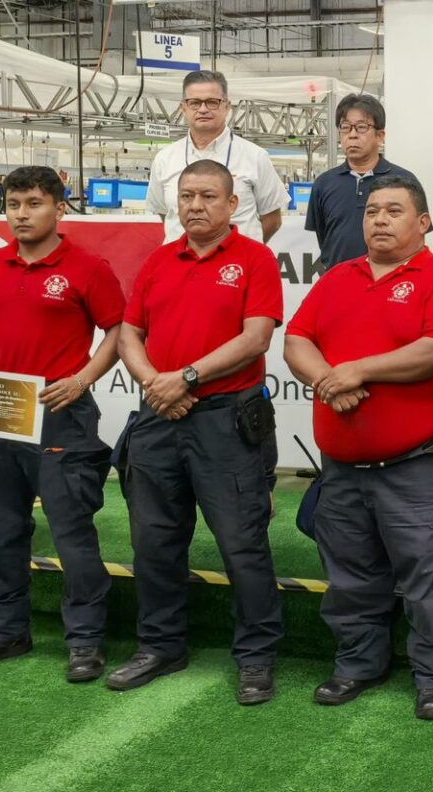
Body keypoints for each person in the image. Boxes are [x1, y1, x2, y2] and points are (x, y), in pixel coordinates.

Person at [285, 176, 433, 721]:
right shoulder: (337, 278)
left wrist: (356, 371)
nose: (380, 220)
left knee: (431, 575)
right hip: (343, 469)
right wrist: (326, 378)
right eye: (372, 211)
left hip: (421, 466)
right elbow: (296, 339)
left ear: (423, 224)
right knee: (350, 575)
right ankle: (358, 664)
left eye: (395, 211)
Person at [109, 160, 285, 706]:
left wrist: (185, 377)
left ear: (234, 205)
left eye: (208, 196)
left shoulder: (254, 259)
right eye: (186, 196)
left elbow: (256, 338)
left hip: (226, 420)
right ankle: (160, 645)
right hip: (158, 417)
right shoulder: (159, 261)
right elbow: (129, 333)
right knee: (154, 542)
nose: (195, 206)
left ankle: (256, 658)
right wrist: (153, 383)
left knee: (242, 543)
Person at [0, 166, 123, 683]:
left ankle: (86, 640)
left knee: (71, 533)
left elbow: (117, 330)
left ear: (59, 208)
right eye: (14, 203)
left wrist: (83, 378)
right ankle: (4, 632)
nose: (22, 213)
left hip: (60, 414)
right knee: (0, 530)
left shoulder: (88, 268)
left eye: (34, 203)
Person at [147, 70, 289, 246]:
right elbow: (165, 213)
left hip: (236, 267)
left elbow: (273, 220)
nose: (203, 109)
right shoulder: (164, 159)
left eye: (212, 102)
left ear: (227, 106)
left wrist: (245, 250)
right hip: (182, 265)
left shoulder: (255, 157)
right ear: (183, 108)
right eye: (195, 103)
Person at [305, 93, 418, 268]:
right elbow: (323, 238)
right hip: (339, 283)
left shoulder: (404, 181)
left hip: (392, 281)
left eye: (361, 127)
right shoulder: (324, 183)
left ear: (380, 136)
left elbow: (416, 236)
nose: (352, 135)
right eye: (345, 127)